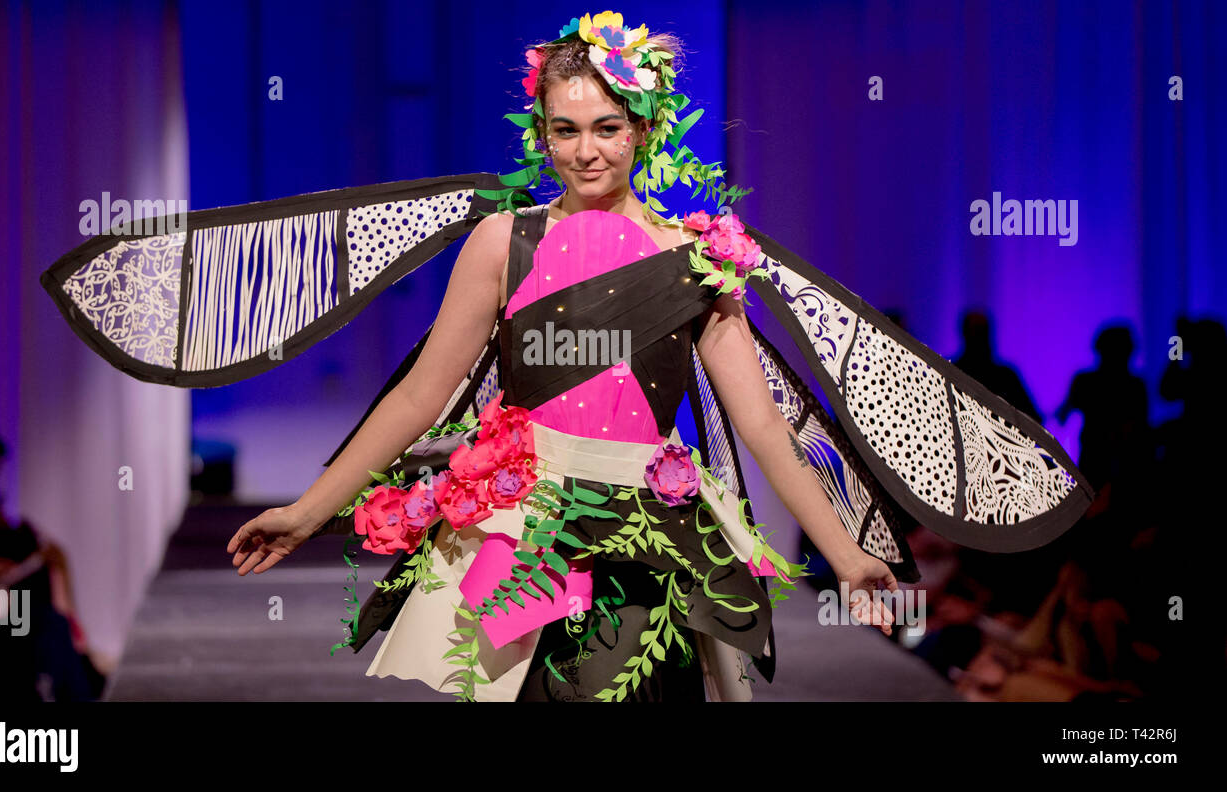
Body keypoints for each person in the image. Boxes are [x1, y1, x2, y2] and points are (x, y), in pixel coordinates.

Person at [224, 11, 900, 702]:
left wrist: (845, 557)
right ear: (542, 135)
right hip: (525, 532)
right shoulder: (503, 242)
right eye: (565, 130)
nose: (586, 151)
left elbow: (763, 427)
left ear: (644, 127)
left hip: (649, 538)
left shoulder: (700, 260)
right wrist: (307, 512)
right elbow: (420, 397)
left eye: (607, 127)